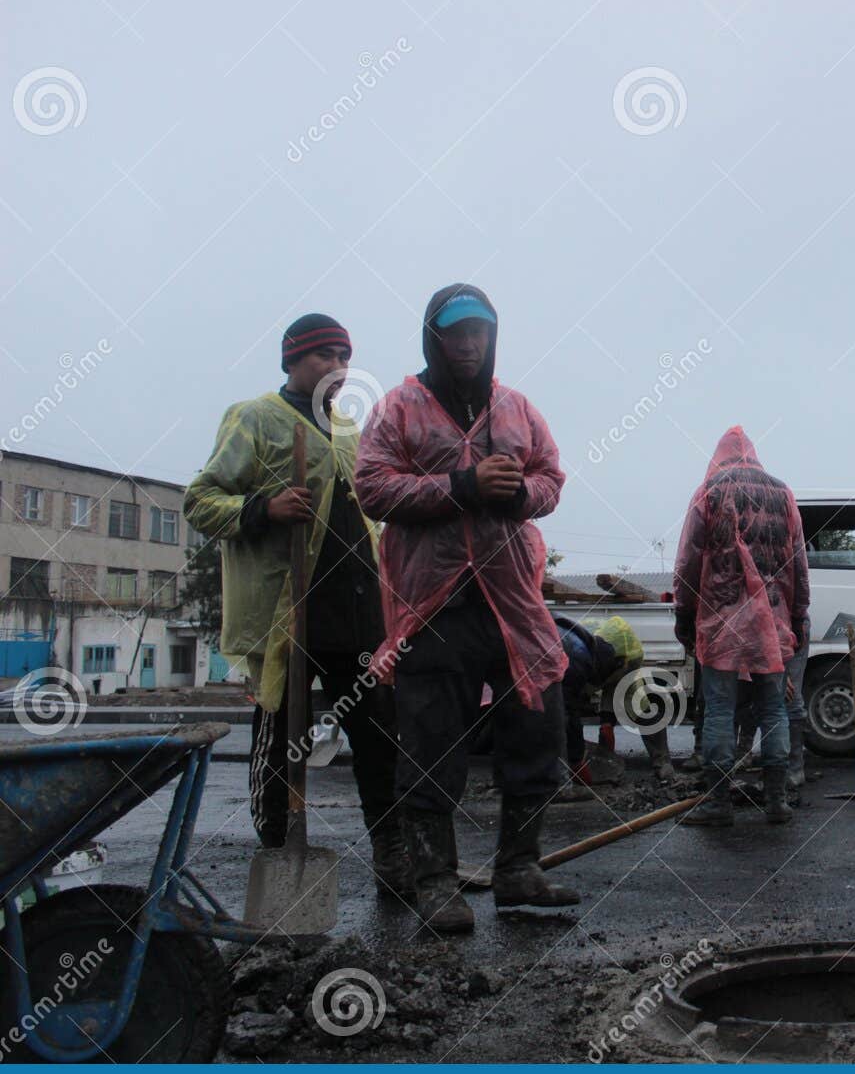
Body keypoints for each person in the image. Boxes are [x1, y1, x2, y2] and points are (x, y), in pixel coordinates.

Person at [354, 283, 575, 933]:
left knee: (538, 727)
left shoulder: (516, 408)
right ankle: (435, 881)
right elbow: (372, 487)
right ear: (435, 337)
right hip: (433, 605)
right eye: (456, 332)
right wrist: (461, 485)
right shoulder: (399, 408)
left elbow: (551, 478)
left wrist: (518, 495)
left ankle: (518, 869)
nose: (469, 343)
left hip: (513, 603)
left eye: (479, 331)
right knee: (429, 742)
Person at [183, 314, 407, 896]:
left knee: (379, 738)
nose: (336, 367)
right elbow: (200, 501)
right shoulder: (254, 418)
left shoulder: (349, 430)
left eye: (344, 357)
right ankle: (279, 846)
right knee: (281, 739)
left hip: (357, 611)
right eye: (322, 356)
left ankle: (393, 853)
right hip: (290, 613)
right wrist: (264, 508)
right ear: (292, 361)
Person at [674, 427, 809, 826]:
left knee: (719, 708)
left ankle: (718, 804)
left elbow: (688, 561)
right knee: (774, 708)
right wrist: (798, 617)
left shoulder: (708, 492)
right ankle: (777, 801)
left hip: (721, 622)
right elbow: (799, 564)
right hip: (773, 622)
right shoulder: (783, 494)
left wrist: (684, 614)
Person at [554, 615, 673, 781]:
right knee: (568, 708)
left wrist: (606, 721)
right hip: (591, 657)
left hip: (626, 656)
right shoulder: (574, 659)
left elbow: (611, 689)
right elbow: (570, 709)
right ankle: (598, 756)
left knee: (640, 705)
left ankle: (662, 761)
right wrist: (576, 758)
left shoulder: (623, 660)